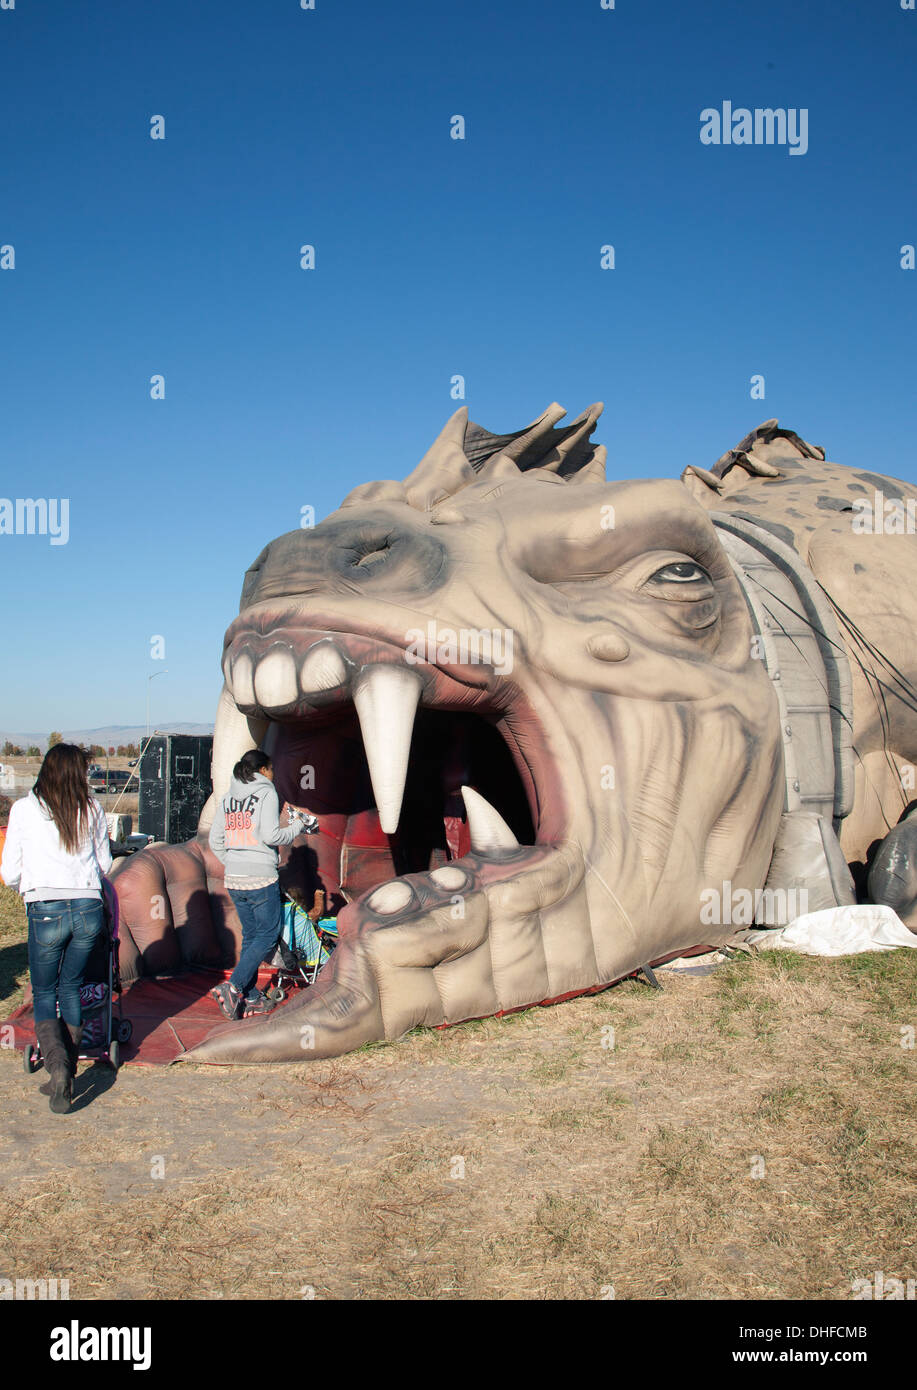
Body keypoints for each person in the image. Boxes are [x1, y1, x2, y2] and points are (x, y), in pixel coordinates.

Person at [0, 744, 112, 1114]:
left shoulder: (23, 810)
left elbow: (9, 873)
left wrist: (30, 889)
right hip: (88, 908)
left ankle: (58, 1069)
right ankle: (68, 1068)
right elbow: (105, 865)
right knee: (71, 988)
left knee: (44, 990)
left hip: (45, 907)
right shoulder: (92, 809)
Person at [208, 748, 317, 1019]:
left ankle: (252, 995)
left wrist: (234, 861)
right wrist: (299, 827)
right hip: (260, 877)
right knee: (267, 935)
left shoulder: (228, 797)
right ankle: (232, 988)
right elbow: (271, 835)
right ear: (265, 770)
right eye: (272, 769)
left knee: (251, 935)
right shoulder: (267, 792)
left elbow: (214, 841)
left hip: (235, 878)